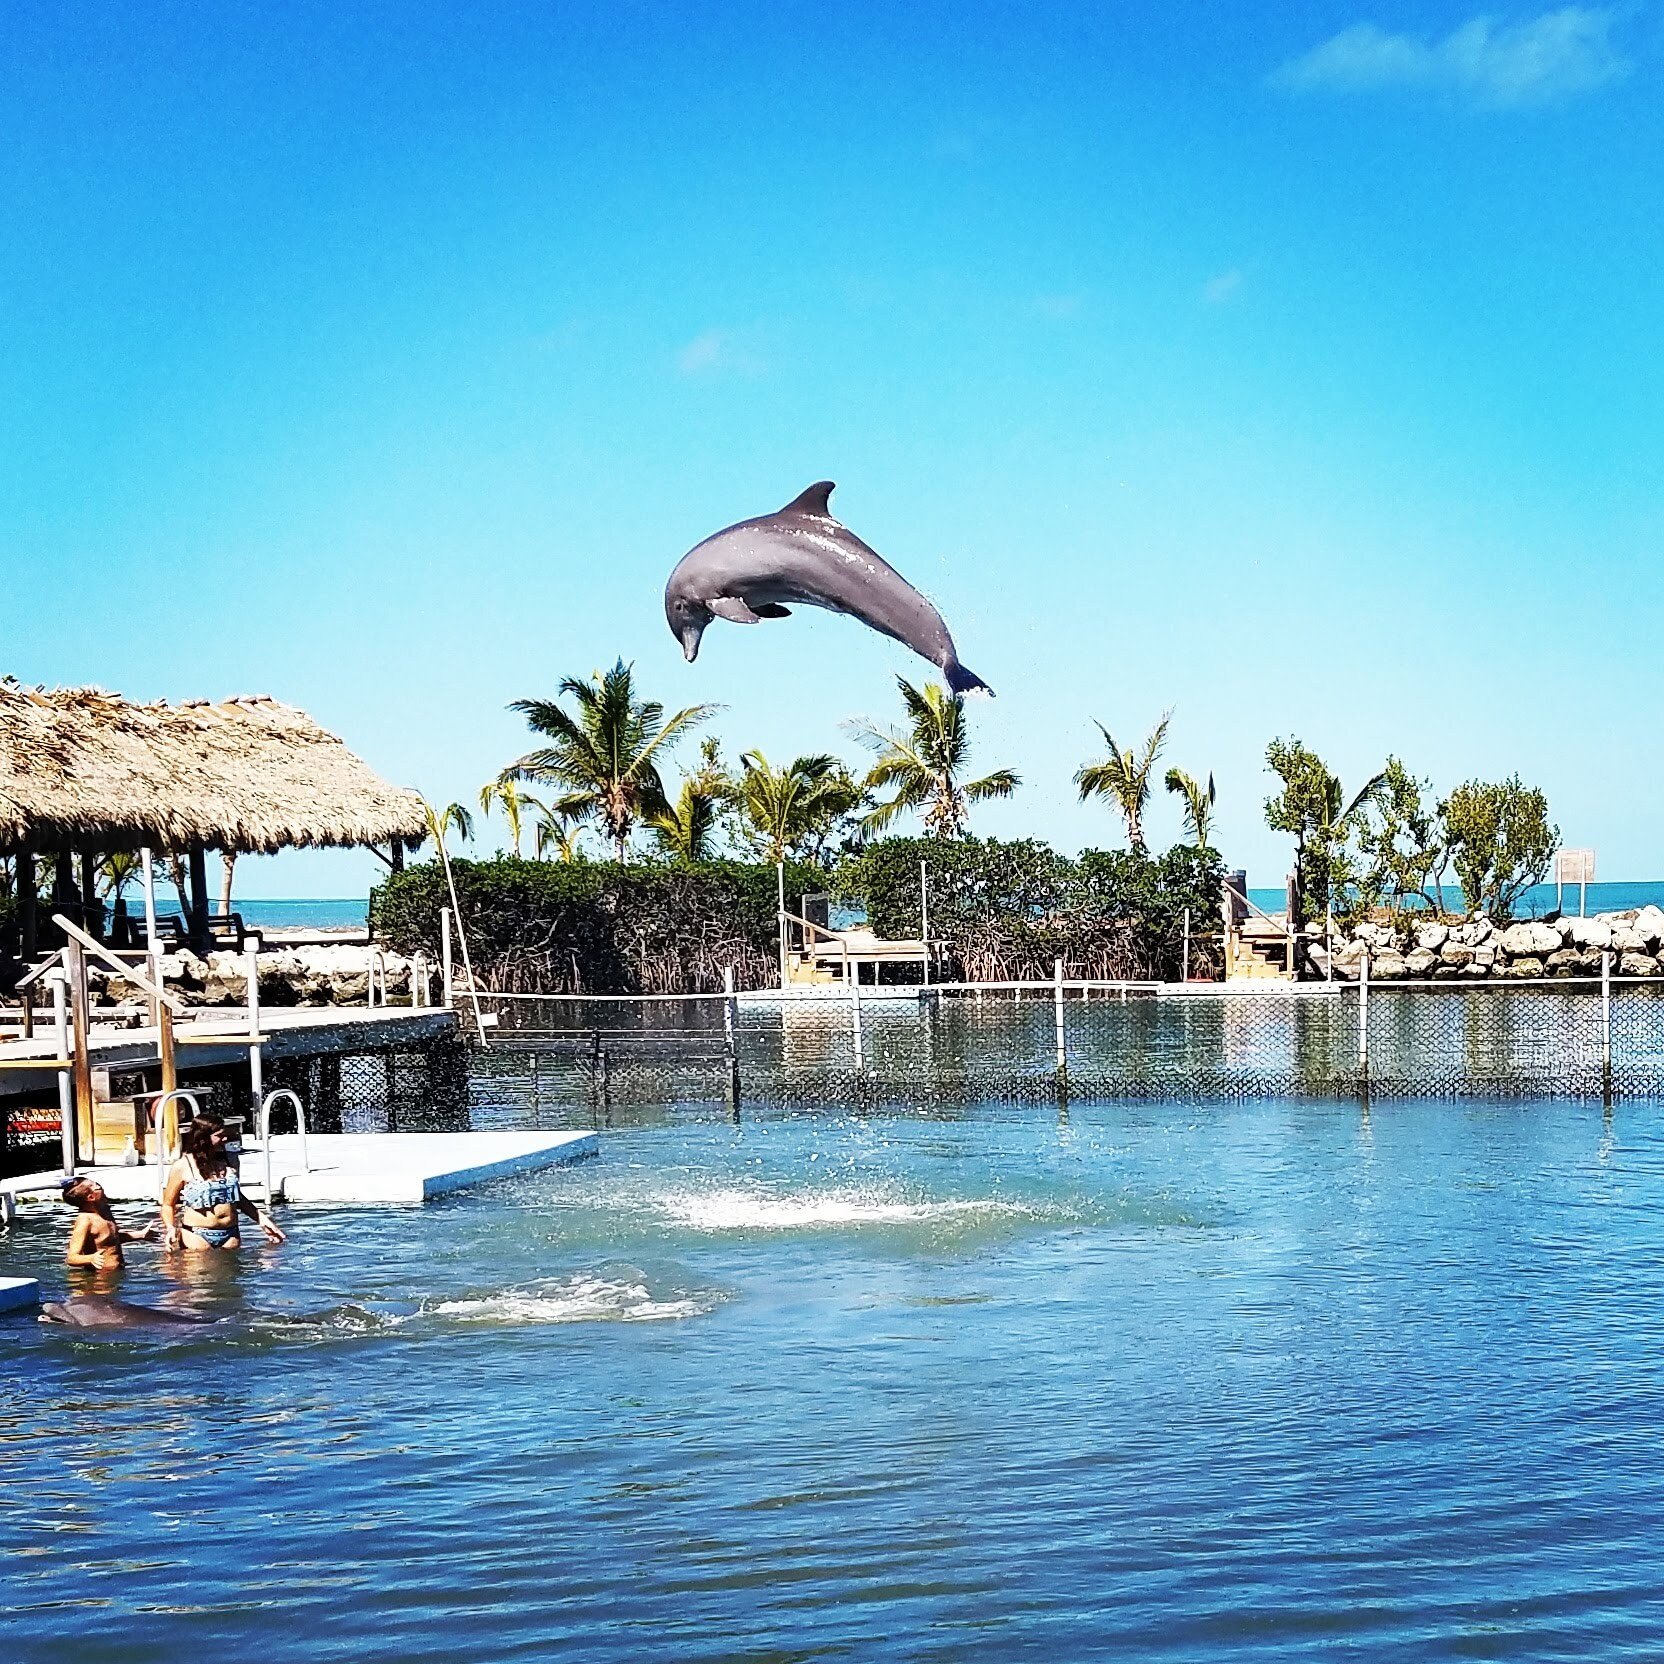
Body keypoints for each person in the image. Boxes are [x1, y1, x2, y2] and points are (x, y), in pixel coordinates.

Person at [161, 1116, 286, 1251]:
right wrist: (170, 1228)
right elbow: (167, 1205)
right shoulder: (182, 1166)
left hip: (231, 1234)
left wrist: (261, 1219)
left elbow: (237, 1198)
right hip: (196, 1235)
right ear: (203, 1138)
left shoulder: (229, 1161)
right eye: (219, 1136)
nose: (225, 1139)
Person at [61, 1177, 156, 1272]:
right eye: (97, 1186)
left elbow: (108, 1240)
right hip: (99, 1278)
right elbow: (72, 1258)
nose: (101, 1187)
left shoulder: (105, 1212)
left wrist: (140, 1235)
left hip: (117, 1272)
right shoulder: (85, 1220)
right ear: (91, 1197)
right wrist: (90, 1258)